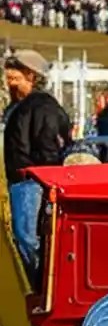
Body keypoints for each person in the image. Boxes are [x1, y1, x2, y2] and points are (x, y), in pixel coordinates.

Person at [3, 49, 71, 278]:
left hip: (31, 181)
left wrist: (46, 180)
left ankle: (41, 281)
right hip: (25, 179)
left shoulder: (41, 108)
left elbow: (48, 148)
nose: (10, 83)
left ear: (31, 76)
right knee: (25, 237)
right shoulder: (23, 107)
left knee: (27, 238)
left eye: (15, 77)